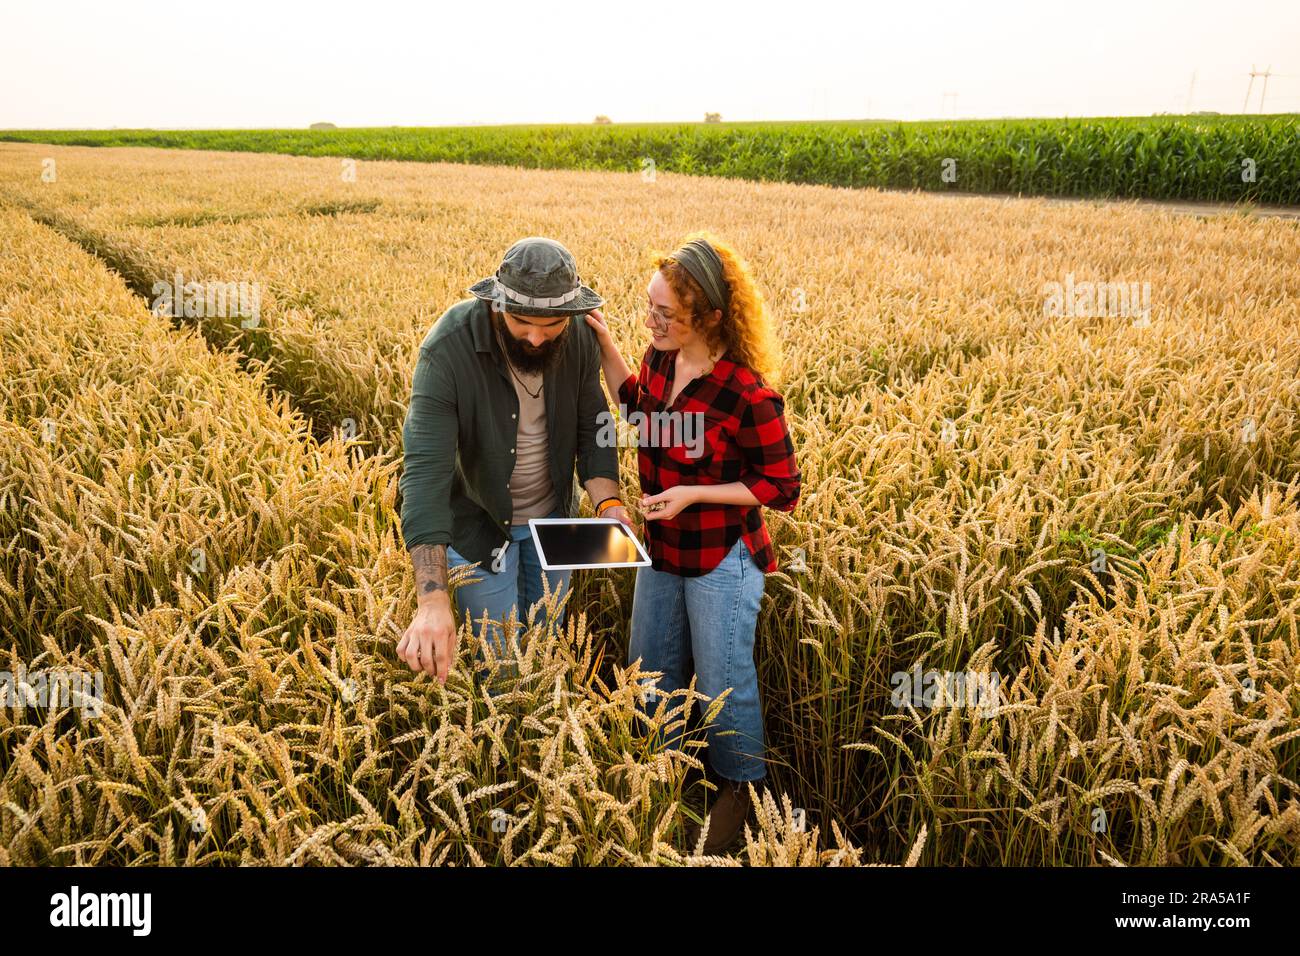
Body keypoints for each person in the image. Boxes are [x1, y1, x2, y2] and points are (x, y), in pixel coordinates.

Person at [585, 231, 800, 853]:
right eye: (648, 308)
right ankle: (664, 780)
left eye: (665, 314)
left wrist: (695, 495)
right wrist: (606, 345)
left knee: (721, 682)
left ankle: (740, 788)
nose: (651, 322)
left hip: (723, 559)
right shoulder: (660, 359)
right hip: (662, 548)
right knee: (650, 672)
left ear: (708, 316)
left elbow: (781, 486)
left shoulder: (748, 393)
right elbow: (638, 409)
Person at [396, 237, 632, 685]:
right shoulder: (448, 349)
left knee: (547, 645)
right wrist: (431, 600)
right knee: (500, 665)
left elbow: (594, 428)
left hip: (558, 522)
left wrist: (608, 505)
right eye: (522, 321)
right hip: (480, 526)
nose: (536, 337)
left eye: (552, 325)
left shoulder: (580, 335)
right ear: (496, 301)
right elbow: (425, 474)